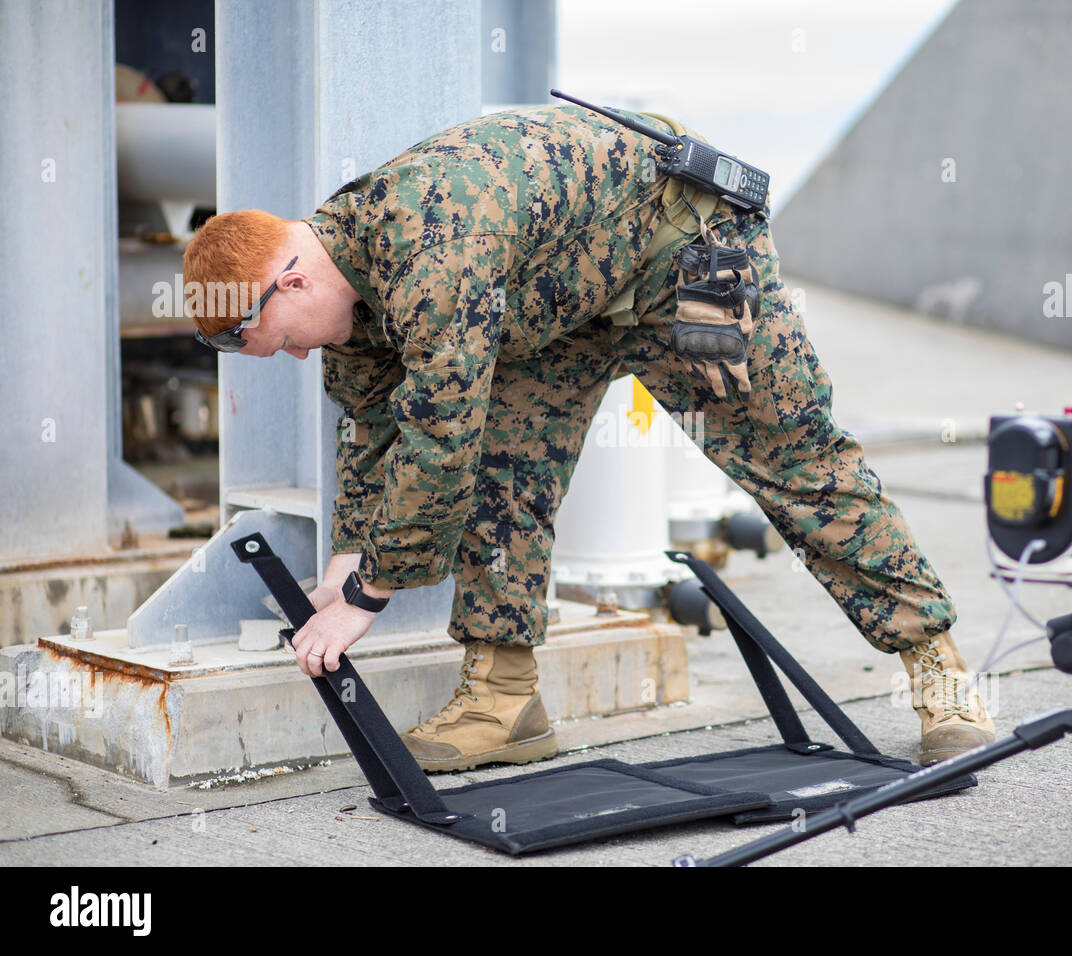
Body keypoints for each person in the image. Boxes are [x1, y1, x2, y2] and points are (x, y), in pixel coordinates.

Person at [184, 104, 994, 771]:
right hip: (561, 303)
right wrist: (350, 552)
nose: (296, 353)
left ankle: (935, 664)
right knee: (505, 471)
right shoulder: (350, 291)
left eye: (282, 340)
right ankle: (504, 700)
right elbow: (371, 427)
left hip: (683, 259)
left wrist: (368, 597)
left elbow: (439, 435)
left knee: (789, 454)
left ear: (290, 280)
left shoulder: (430, 249)